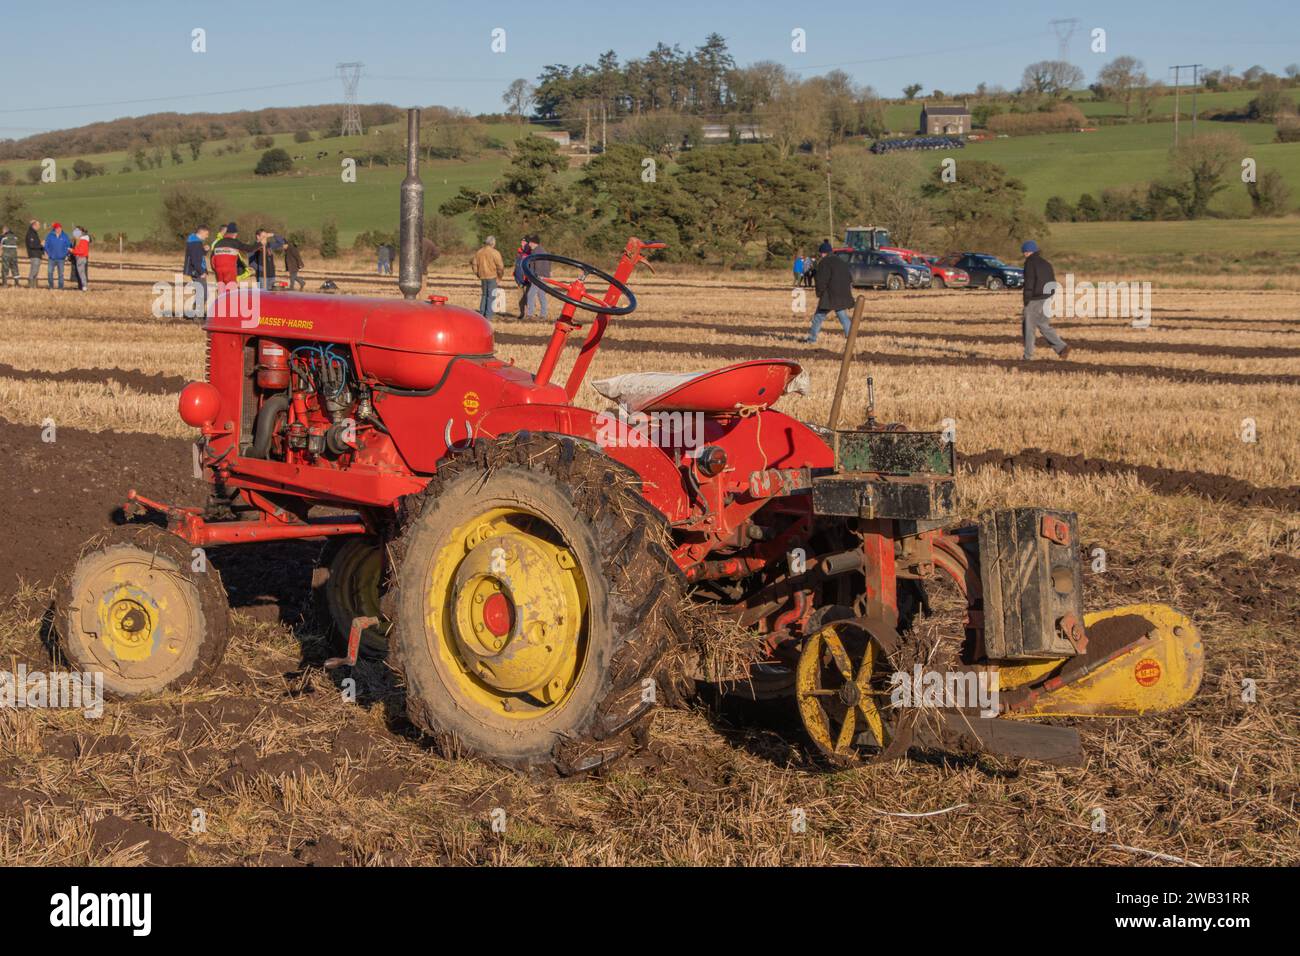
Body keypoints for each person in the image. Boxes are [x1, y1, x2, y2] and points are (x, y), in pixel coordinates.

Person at [1021, 240, 1069, 360]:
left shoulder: (1029, 263)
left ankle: (1028, 356)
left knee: (1028, 328)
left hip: (1035, 298)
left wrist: (1026, 300)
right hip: (1048, 297)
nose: (1023, 254)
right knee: (1043, 324)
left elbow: (1029, 282)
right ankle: (1061, 347)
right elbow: (1053, 281)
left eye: (1024, 252)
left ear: (1027, 252)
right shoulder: (1046, 263)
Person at [802, 241, 855, 344]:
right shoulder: (841, 261)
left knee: (818, 317)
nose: (820, 255)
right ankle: (850, 338)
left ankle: (811, 340)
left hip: (829, 295)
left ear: (823, 253)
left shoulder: (824, 262)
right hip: (842, 294)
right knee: (843, 316)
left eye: (821, 253)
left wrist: (820, 293)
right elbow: (849, 278)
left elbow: (821, 280)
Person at [211, 222, 260, 290]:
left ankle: (222, 300)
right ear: (235, 234)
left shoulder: (218, 243)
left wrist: (215, 270)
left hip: (218, 271)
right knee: (231, 291)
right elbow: (250, 249)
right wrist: (260, 243)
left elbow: (212, 259)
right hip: (230, 270)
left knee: (221, 290)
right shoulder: (235, 242)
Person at [470, 235, 504, 319]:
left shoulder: (479, 252)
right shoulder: (495, 252)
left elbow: (474, 264)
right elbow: (500, 266)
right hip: (492, 277)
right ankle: (488, 316)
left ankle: (481, 314)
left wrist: (478, 274)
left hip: (482, 277)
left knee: (484, 295)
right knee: (491, 296)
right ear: (493, 243)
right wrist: (499, 277)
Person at [183, 225, 210, 319]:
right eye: (206, 234)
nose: (207, 236)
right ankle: (196, 315)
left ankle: (196, 314)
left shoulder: (195, 242)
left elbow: (198, 256)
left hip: (197, 271)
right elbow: (195, 260)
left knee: (201, 293)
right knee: (204, 294)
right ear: (201, 232)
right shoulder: (195, 243)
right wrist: (201, 271)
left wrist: (204, 251)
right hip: (197, 272)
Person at [524, 234, 550, 320]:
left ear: (534, 243)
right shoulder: (542, 250)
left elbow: (538, 265)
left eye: (530, 242)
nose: (529, 244)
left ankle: (530, 314)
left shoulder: (536, 251)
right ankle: (543, 314)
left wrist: (534, 276)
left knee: (530, 294)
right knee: (541, 295)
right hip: (544, 276)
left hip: (538, 277)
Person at [43, 222, 70, 290]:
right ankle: (51, 286)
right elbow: (46, 245)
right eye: (57, 228)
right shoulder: (50, 236)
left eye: (60, 228)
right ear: (54, 229)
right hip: (51, 258)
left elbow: (68, 246)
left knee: (61, 274)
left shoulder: (65, 236)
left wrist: (65, 254)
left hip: (61, 259)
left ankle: (60, 287)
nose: (59, 229)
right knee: (49, 272)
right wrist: (49, 253)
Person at [511, 236, 533, 318]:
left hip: (527, 280)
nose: (522, 243)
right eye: (521, 241)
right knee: (520, 298)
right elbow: (517, 266)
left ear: (528, 243)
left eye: (524, 242)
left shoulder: (530, 253)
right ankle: (522, 313)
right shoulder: (519, 253)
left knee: (528, 298)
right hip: (519, 280)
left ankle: (529, 314)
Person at [71, 226, 90, 291]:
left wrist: (72, 251)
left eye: (76, 231)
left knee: (81, 273)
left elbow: (81, 251)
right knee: (81, 273)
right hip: (80, 257)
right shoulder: (80, 240)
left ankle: (84, 286)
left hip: (81, 257)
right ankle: (82, 286)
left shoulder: (83, 240)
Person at [25, 220, 42, 287]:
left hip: (37, 254)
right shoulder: (30, 234)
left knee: (36, 271)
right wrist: (41, 245)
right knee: (34, 270)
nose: (39, 227)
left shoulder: (34, 233)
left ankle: (34, 286)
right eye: (38, 225)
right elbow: (31, 245)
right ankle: (30, 285)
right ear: (34, 225)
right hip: (34, 254)